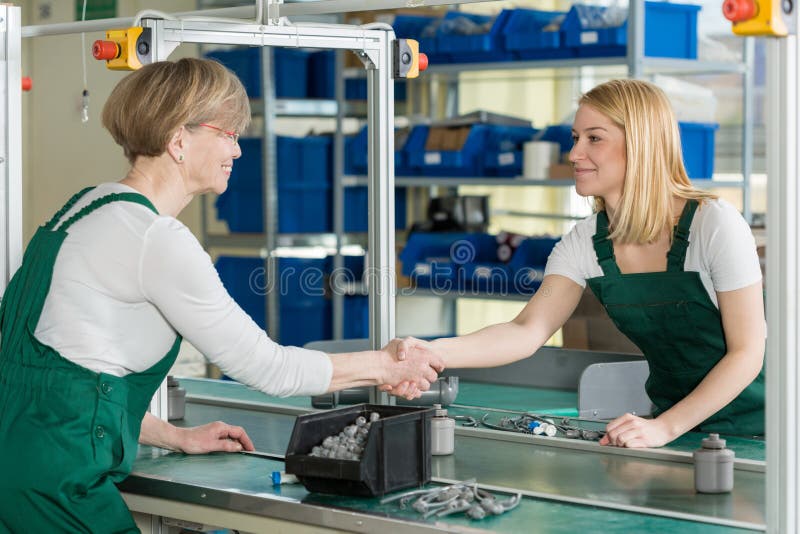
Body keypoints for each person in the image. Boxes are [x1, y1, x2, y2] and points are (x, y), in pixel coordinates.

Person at [0, 58, 443, 533]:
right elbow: (266, 366)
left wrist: (173, 436)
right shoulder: (155, 238)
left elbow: (67, 383)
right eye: (228, 134)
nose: (237, 149)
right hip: (57, 489)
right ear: (178, 139)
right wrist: (385, 365)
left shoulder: (84, 208)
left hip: (19, 471)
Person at [390, 79, 765, 448]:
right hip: (680, 430)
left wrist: (665, 428)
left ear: (641, 145)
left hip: (764, 428)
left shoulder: (713, 225)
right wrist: (431, 352)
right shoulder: (585, 241)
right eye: (575, 138)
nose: (573, 154)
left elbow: (747, 352)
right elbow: (526, 330)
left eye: (594, 138)